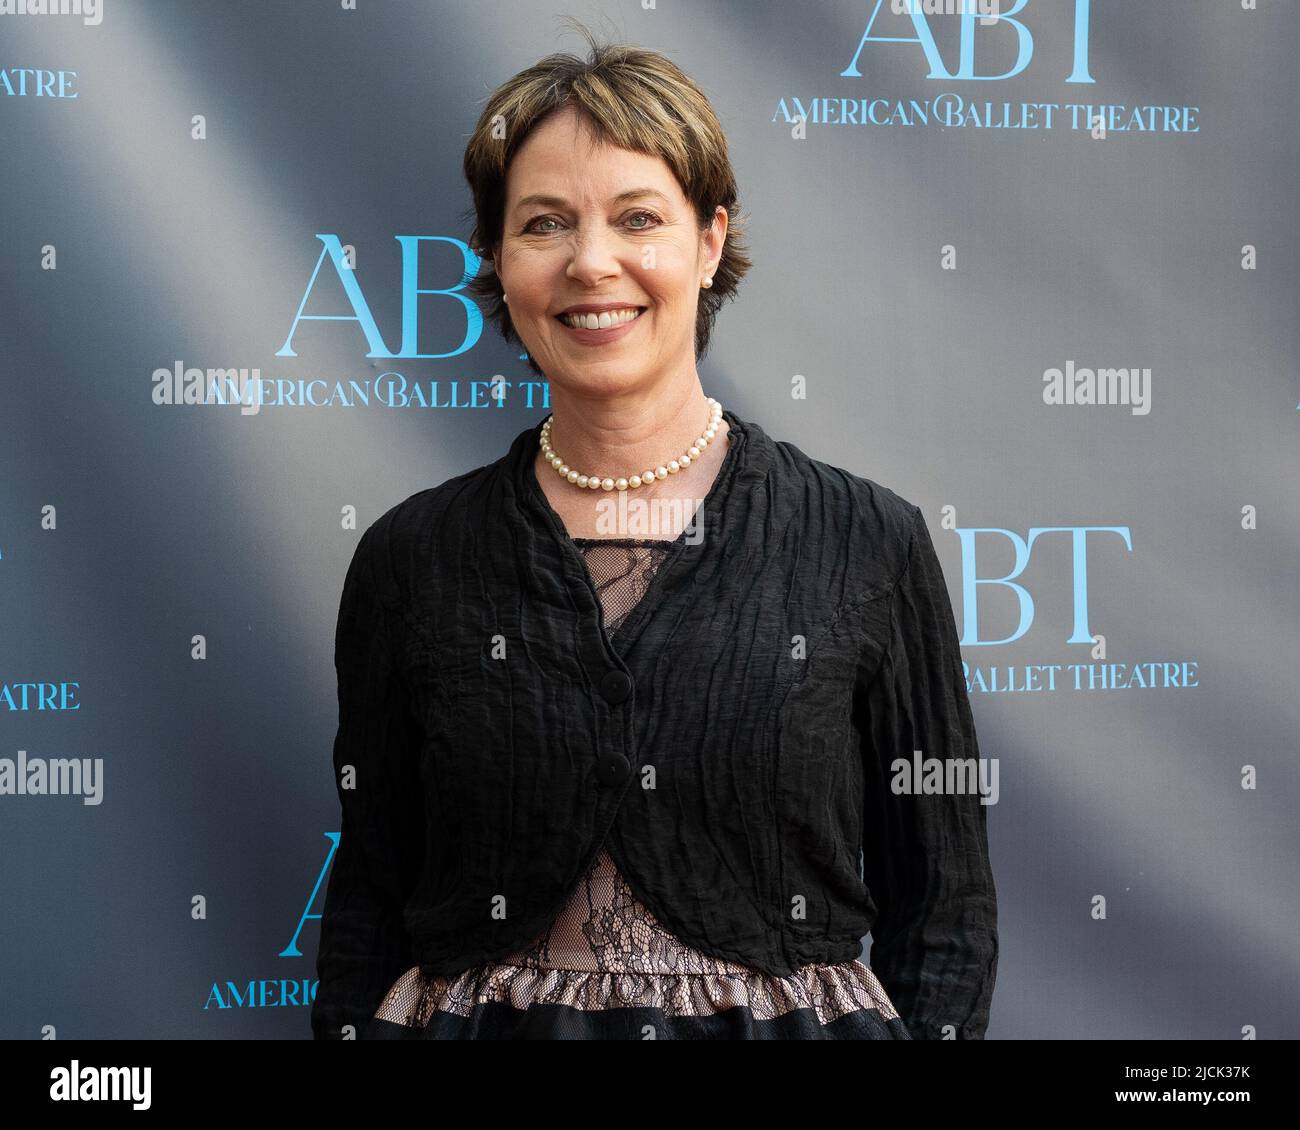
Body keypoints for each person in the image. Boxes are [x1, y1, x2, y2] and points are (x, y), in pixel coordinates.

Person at [311, 24, 997, 1041]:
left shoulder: (866, 540)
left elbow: (943, 909)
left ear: (709, 239)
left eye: (638, 217)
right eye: (543, 223)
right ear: (498, 259)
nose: (593, 264)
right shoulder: (413, 558)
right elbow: (368, 899)